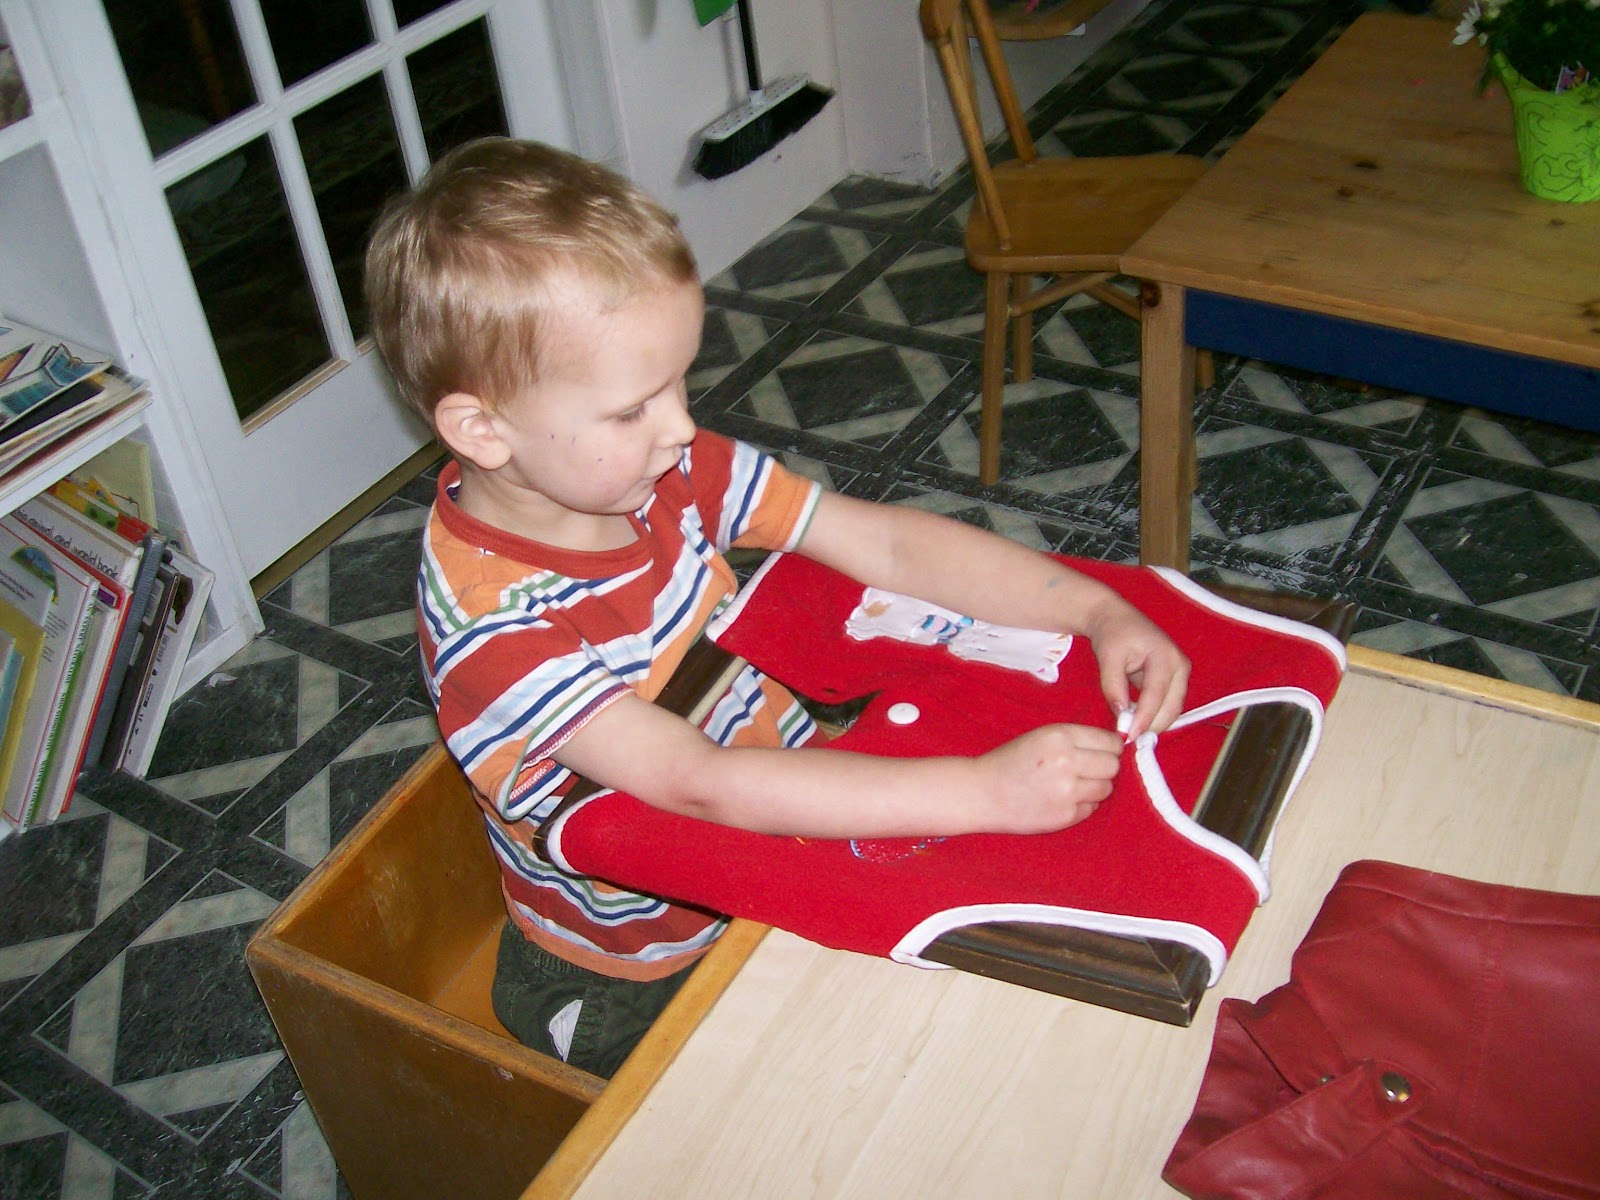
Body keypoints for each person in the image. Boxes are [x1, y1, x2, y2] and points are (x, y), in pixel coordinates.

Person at [364, 136, 1190, 1078]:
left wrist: (1095, 609)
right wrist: (985, 792)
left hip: (776, 839)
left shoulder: (657, 470)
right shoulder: (495, 630)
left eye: (679, 381)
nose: (681, 425)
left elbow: (884, 542)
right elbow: (699, 785)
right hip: (637, 972)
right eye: (634, 406)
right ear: (482, 429)